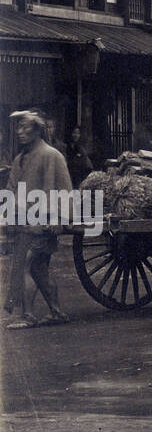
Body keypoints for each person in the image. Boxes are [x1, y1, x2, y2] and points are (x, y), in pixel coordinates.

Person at [4, 111, 73, 328]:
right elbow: (11, 189)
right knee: (39, 268)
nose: (20, 132)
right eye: (19, 128)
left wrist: (58, 218)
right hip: (25, 222)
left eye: (25, 127)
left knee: (27, 265)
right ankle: (57, 312)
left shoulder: (51, 155)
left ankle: (27, 316)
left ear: (36, 130)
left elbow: (63, 189)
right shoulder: (20, 158)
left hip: (42, 223)